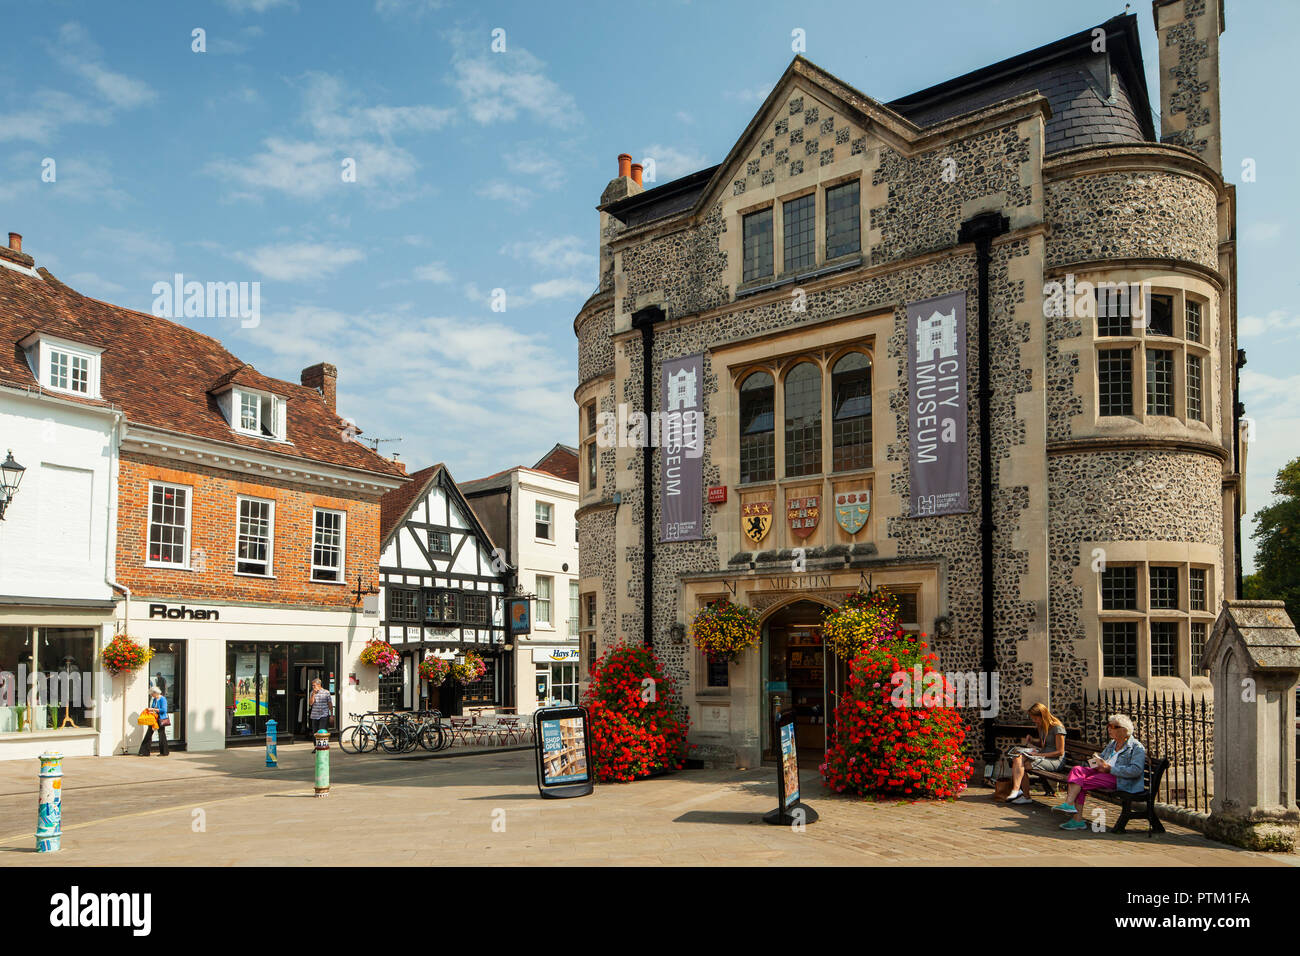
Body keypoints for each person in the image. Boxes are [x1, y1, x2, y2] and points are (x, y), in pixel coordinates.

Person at [1053, 714, 1146, 830]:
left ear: (1123, 730)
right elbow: (1101, 758)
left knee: (1080, 783)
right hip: (1102, 772)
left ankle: (1076, 818)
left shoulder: (1136, 747)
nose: (1109, 729)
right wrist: (1094, 763)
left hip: (1117, 778)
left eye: (1112, 726)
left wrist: (1110, 769)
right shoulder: (1113, 744)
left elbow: (1136, 770)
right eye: (1108, 726)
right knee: (1077, 770)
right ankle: (1069, 804)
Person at [1006, 701, 1067, 804]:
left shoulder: (1057, 727)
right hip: (1043, 756)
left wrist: (1038, 754)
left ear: (1043, 715)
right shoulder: (1042, 726)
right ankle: (1016, 790)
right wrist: (1032, 741)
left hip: (1055, 760)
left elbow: (1060, 752)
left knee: (1023, 765)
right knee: (1018, 758)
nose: (1034, 721)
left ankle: (1024, 795)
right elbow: (1043, 744)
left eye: (1035, 718)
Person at [138, 685, 169, 757]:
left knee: (161, 735)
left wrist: (153, 710)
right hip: (154, 718)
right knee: (149, 733)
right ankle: (144, 752)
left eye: (152, 694)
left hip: (161, 718)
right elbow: (153, 707)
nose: (151, 695)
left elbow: (164, 710)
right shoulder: (155, 699)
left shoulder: (162, 699)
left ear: (155, 693)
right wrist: (150, 710)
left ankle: (164, 752)